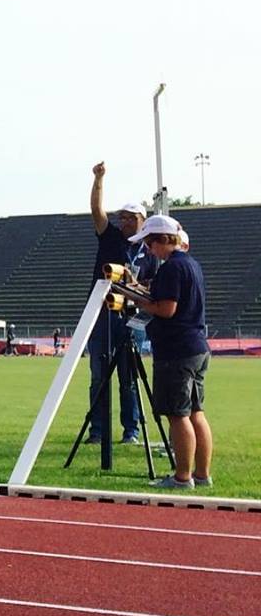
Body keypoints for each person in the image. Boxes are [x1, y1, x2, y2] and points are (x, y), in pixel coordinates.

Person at [130, 214, 212, 489]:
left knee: (178, 414)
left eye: (151, 243)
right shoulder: (191, 264)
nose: (149, 250)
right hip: (196, 346)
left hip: (176, 350)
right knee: (196, 412)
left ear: (163, 240)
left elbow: (166, 309)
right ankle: (201, 474)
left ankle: (182, 477)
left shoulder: (171, 268)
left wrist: (136, 300)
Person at [87, 161, 158, 445]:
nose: (124, 222)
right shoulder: (110, 238)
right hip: (103, 316)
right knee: (98, 377)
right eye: (122, 217)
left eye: (130, 218)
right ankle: (97, 430)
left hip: (131, 318)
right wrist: (99, 179)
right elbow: (96, 211)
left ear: (142, 219)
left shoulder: (150, 252)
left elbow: (153, 286)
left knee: (129, 379)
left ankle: (132, 430)